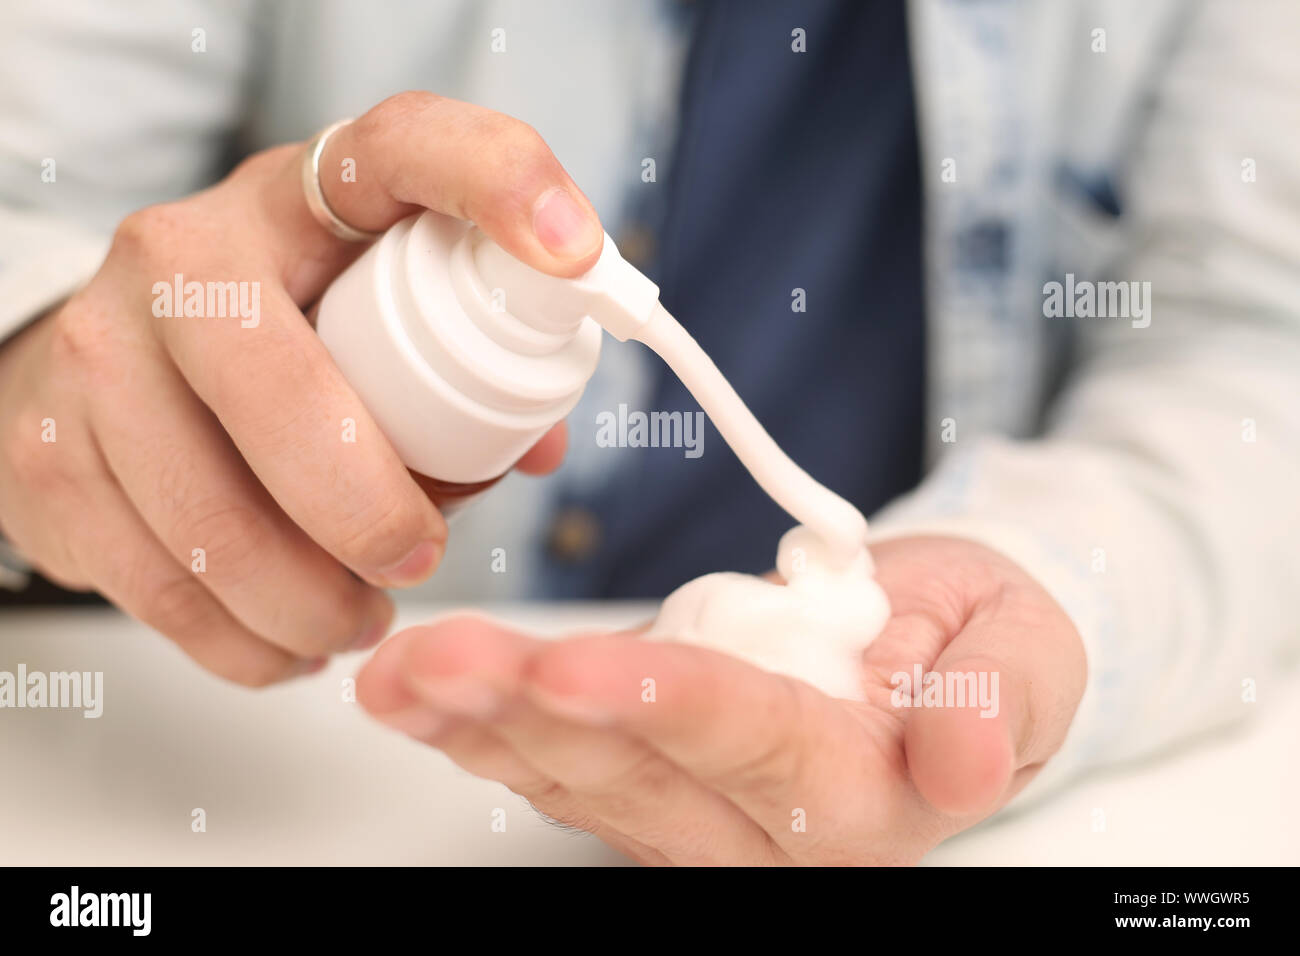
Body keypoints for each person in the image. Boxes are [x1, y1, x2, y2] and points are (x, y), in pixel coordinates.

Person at [1, 0, 1296, 864]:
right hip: (292, 789)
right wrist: (43, 367)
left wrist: (1058, 586)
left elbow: (1251, 335)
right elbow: (24, 185)